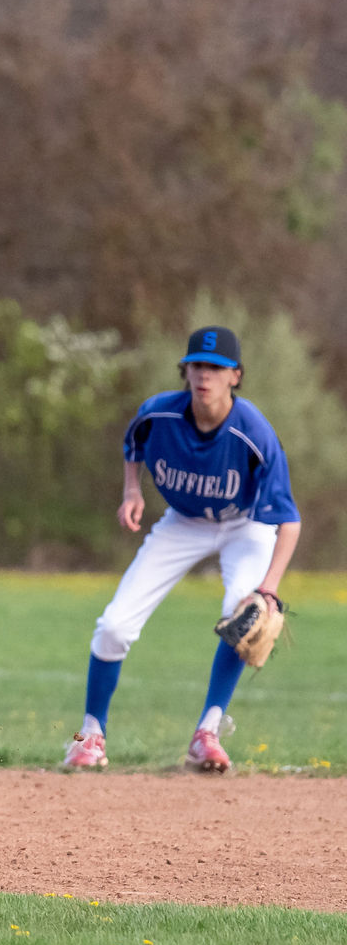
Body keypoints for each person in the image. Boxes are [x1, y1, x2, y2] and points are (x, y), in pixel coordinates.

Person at [63, 327, 300, 772]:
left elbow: (288, 520)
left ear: (235, 376)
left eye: (216, 367)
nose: (204, 375)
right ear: (185, 371)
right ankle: (88, 736)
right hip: (182, 523)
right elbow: (133, 443)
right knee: (113, 626)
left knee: (242, 616)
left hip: (243, 524)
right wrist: (132, 490)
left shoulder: (254, 433)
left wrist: (268, 588)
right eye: (196, 365)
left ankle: (206, 733)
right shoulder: (159, 414)